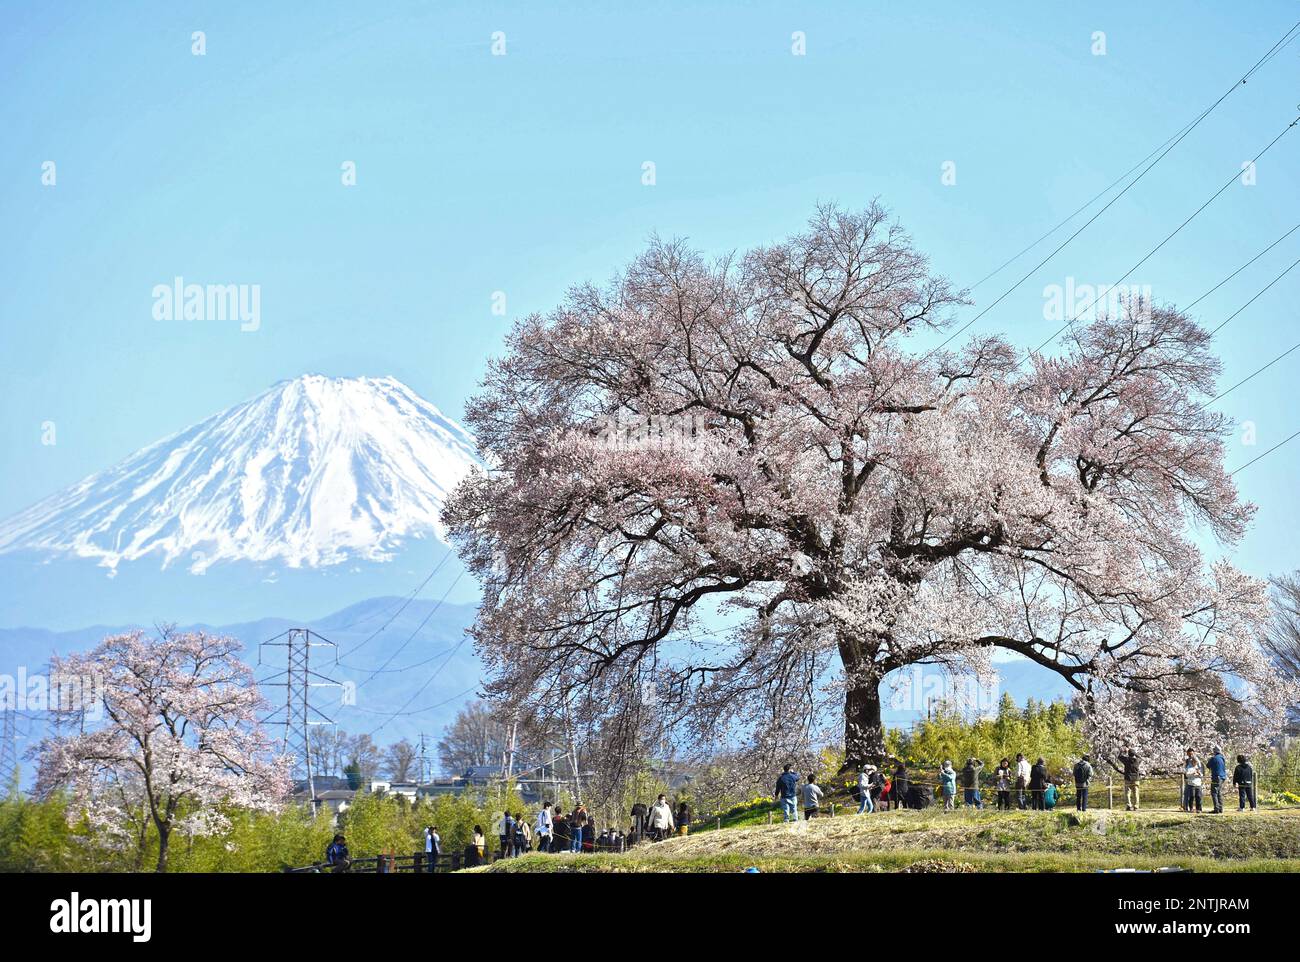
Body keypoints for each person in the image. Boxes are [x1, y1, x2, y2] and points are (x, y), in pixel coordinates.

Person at [1116, 744, 1141, 811]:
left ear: (1128, 754)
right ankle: (1136, 806)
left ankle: (1129, 806)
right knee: (1136, 793)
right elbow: (1140, 757)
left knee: (1127, 793)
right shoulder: (1137, 761)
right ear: (1134, 754)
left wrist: (1123, 751)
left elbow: (1119, 757)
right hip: (1136, 779)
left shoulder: (1126, 760)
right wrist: (1134, 753)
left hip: (1128, 778)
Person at [1207, 746, 1227, 814]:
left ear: (1214, 752)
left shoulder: (1213, 758)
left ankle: (1216, 809)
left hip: (1216, 777)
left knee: (1214, 793)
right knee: (1219, 793)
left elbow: (1208, 765)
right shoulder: (1222, 758)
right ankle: (1220, 808)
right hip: (1222, 777)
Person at [1183, 749, 1204, 813]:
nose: (1194, 763)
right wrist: (1193, 773)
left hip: (1198, 784)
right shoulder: (1189, 767)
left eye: (1195, 762)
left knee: (1198, 797)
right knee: (1191, 796)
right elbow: (1187, 774)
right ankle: (1190, 808)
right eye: (1193, 762)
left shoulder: (1199, 767)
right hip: (1191, 784)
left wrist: (1199, 774)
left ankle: (1199, 809)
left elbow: (1202, 775)